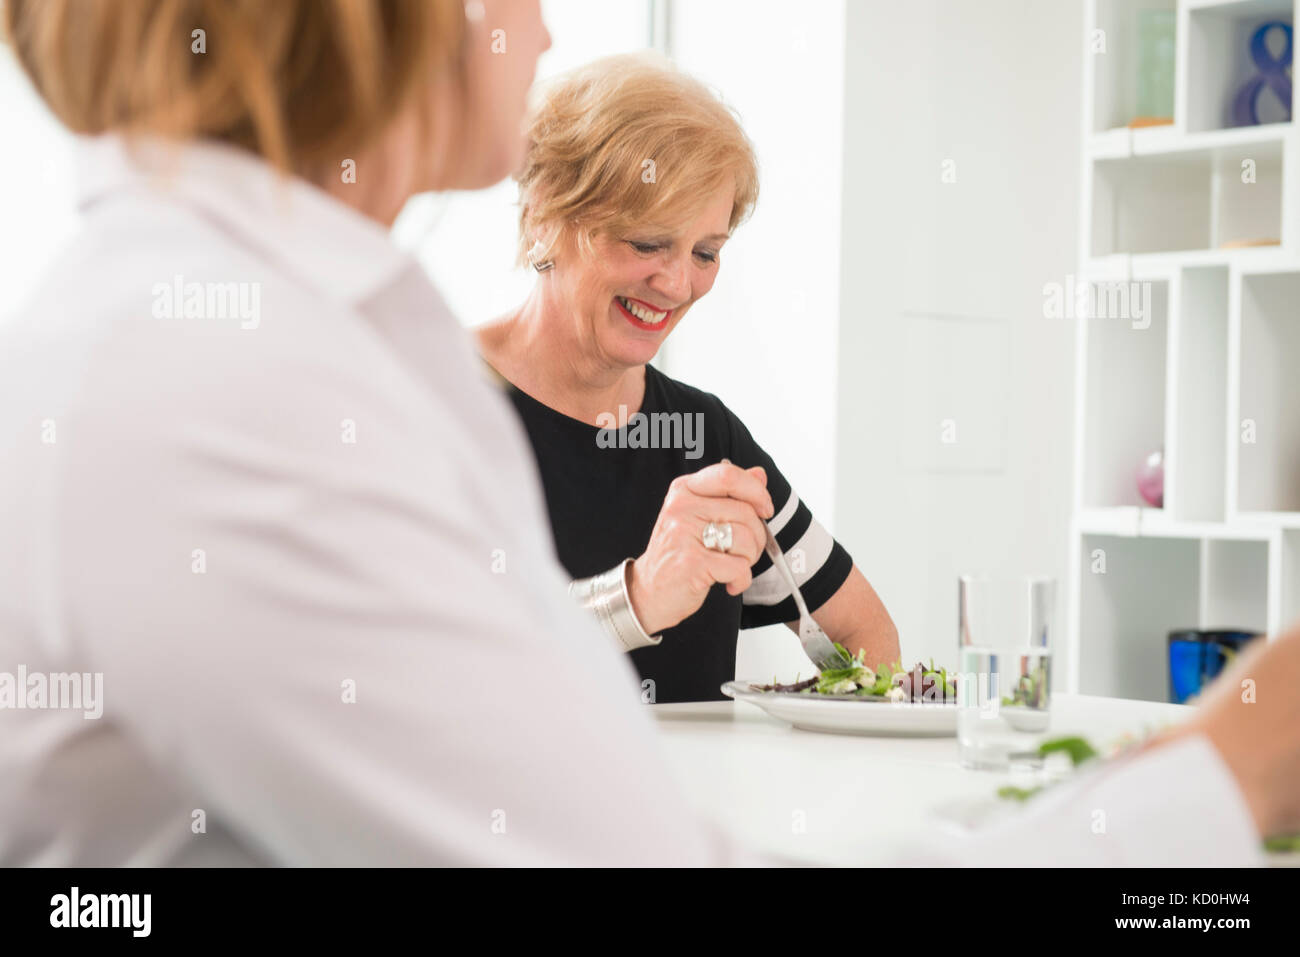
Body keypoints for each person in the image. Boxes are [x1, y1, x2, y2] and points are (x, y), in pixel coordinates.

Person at [0, 0, 1295, 867]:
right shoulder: (235, 388)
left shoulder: (280, 344)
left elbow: (844, 643)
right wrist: (1226, 773)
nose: (546, 24)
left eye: (709, 251)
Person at [477, 55, 899, 702]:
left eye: (705, 253)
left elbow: (868, 639)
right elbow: (427, 666)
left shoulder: (704, 438)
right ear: (544, 217)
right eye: (646, 243)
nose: (676, 285)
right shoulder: (439, 398)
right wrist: (636, 595)